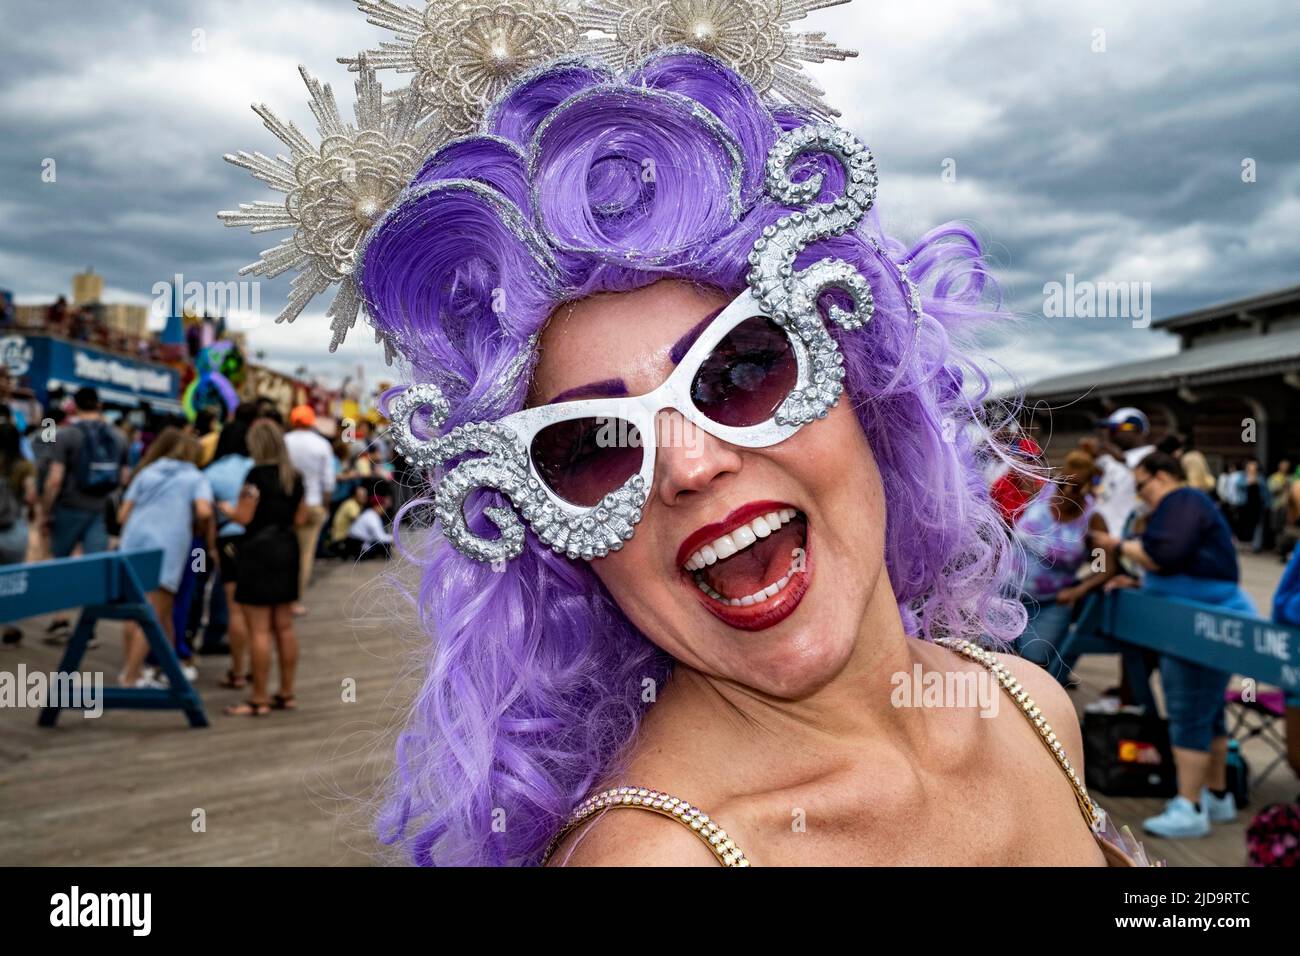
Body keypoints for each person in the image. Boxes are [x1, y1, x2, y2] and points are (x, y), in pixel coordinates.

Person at [226, 11, 1158, 866]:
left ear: (865, 388)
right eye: (589, 446)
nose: (689, 462)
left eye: (740, 372)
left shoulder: (1030, 707)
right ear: (551, 531)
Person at [1094, 451, 1252, 839]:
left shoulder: (1183, 500)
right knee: (1209, 712)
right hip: (1202, 620)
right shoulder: (1190, 503)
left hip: (1196, 626)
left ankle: (1189, 806)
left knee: (1188, 710)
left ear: (1162, 477)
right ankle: (1216, 796)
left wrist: (1118, 545)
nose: (1140, 495)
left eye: (1142, 485)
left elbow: (1164, 555)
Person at [116, 428, 213, 687]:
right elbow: (204, 511)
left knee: (134, 612)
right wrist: (199, 530)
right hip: (168, 546)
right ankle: (133, 675)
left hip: (133, 543)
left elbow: (122, 515)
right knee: (155, 613)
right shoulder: (195, 477)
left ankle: (142, 667)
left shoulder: (147, 472)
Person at [222, 420, 305, 717]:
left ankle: (258, 699)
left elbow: (244, 517)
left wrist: (226, 510)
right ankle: (286, 692)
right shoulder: (294, 477)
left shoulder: (255, 476)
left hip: (258, 551)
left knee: (259, 629)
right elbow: (301, 516)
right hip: (287, 549)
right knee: (284, 626)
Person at [1012, 450, 1111, 685]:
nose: (1066, 492)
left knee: (1032, 670)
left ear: (1088, 489)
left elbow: (1101, 566)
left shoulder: (1092, 519)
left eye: (1075, 488)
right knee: (992, 660)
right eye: (1062, 485)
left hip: (1050, 603)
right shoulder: (1041, 494)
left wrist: (1079, 590)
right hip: (1006, 594)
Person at [39, 387, 127, 640]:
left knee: (61, 564)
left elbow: (54, 479)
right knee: (94, 568)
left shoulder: (65, 435)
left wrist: (45, 511)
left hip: (69, 507)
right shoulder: (118, 436)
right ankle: (89, 629)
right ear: (99, 406)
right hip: (100, 509)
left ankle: (60, 620)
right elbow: (123, 478)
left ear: (74, 407)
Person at [203, 420, 254, 689]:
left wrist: (211, 548)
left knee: (234, 608)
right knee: (257, 611)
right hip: (256, 540)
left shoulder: (211, 471)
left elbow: (208, 517)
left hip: (227, 540)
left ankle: (237, 671)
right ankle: (257, 668)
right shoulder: (254, 468)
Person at [283, 404, 334, 614]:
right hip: (312, 503)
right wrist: (325, 506)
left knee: (285, 554)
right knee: (305, 555)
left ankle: (281, 597)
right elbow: (328, 482)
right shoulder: (321, 444)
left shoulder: (284, 442)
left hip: (286, 505)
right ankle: (294, 601)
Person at [0, 422, 37, 644]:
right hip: (15, 529)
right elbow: (32, 496)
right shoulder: (25, 466)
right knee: (12, 579)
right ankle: (11, 625)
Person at [1092, 406, 1154, 537]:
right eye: (1109, 430)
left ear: (1136, 429)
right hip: (1101, 536)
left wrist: (1120, 458)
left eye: (1116, 429)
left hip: (1128, 537)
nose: (1110, 435)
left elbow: (1146, 474)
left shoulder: (1152, 455)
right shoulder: (1110, 457)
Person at [989, 436, 1044, 524]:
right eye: (1029, 459)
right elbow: (1010, 521)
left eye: (1038, 458)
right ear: (1015, 460)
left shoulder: (1039, 482)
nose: (1034, 464)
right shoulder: (1002, 485)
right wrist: (1027, 495)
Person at [344, 483, 393, 560]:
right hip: (356, 543)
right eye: (383, 506)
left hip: (355, 541)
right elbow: (380, 537)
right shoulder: (372, 517)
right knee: (385, 544)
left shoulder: (370, 514)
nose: (384, 509)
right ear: (377, 506)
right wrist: (394, 539)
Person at [329, 481, 367, 555]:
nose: (364, 497)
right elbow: (359, 521)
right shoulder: (351, 504)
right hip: (341, 539)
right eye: (362, 495)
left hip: (343, 537)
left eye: (365, 495)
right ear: (354, 495)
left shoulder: (354, 503)